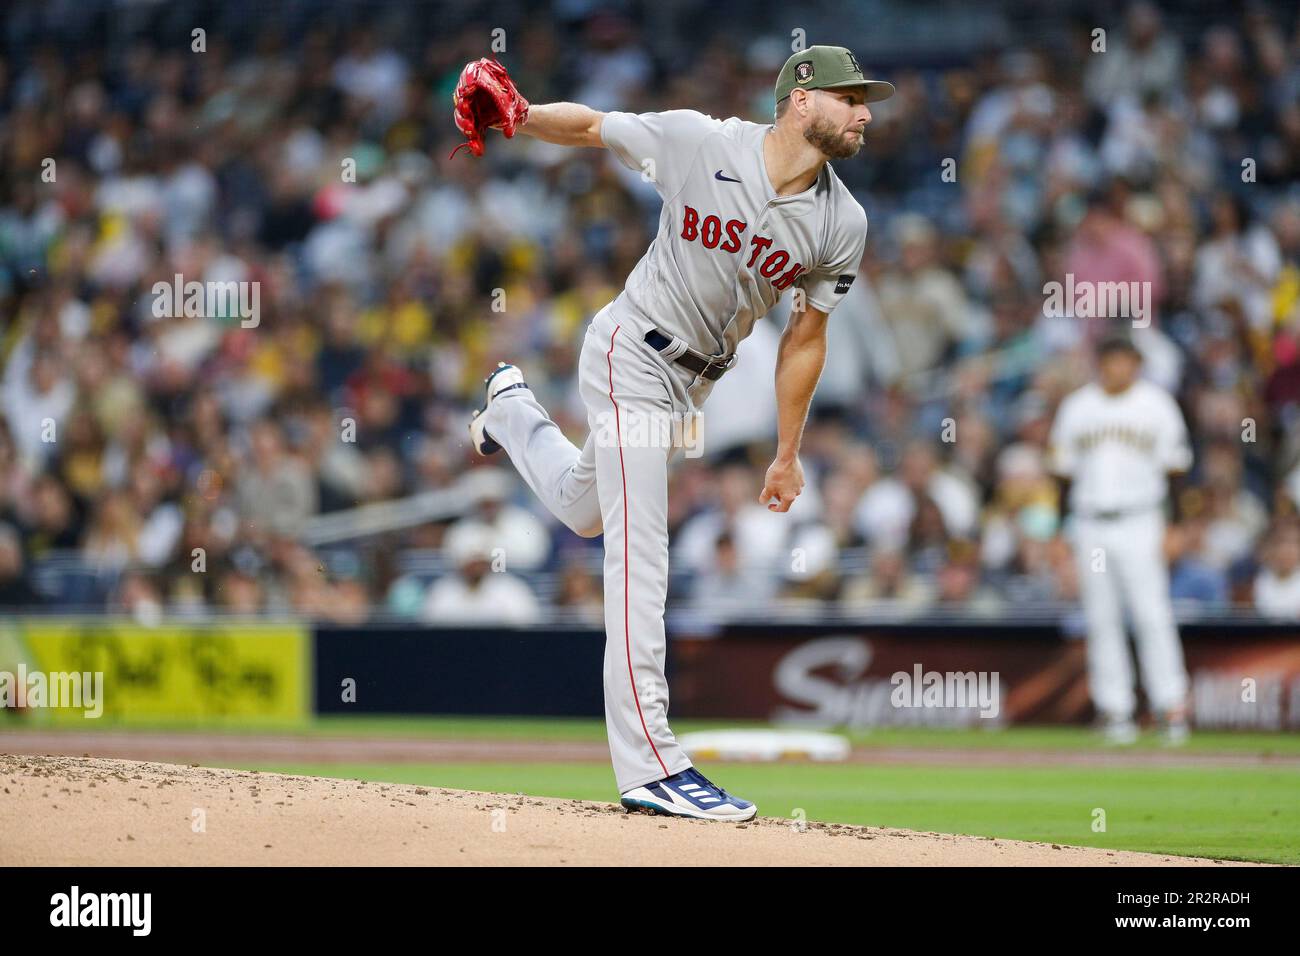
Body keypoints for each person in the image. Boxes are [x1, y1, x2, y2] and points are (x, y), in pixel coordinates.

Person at [459, 46, 892, 820]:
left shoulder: (843, 221)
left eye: (866, 101)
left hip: (695, 383)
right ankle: (652, 764)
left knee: (584, 509)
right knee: (639, 555)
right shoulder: (702, 141)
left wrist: (787, 453)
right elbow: (596, 127)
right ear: (801, 98)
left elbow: (805, 340)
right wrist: (523, 117)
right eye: (851, 97)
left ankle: (510, 409)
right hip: (633, 347)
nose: (865, 113)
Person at [1048, 329, 1193, 745]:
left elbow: (1177, 471)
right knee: (1101, 617)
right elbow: (1062, 475)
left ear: (1136, 364)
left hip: (1141, 518)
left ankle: (1170, 704)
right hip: (1091, 520)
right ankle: (1115, 709)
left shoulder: (1156, 405)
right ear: (1100, 363)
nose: (1117, 368)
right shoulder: (1078, 406)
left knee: (1152, 614)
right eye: (1110, 360)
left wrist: (1175, 525)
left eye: (1125, 360)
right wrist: (1060, 531)